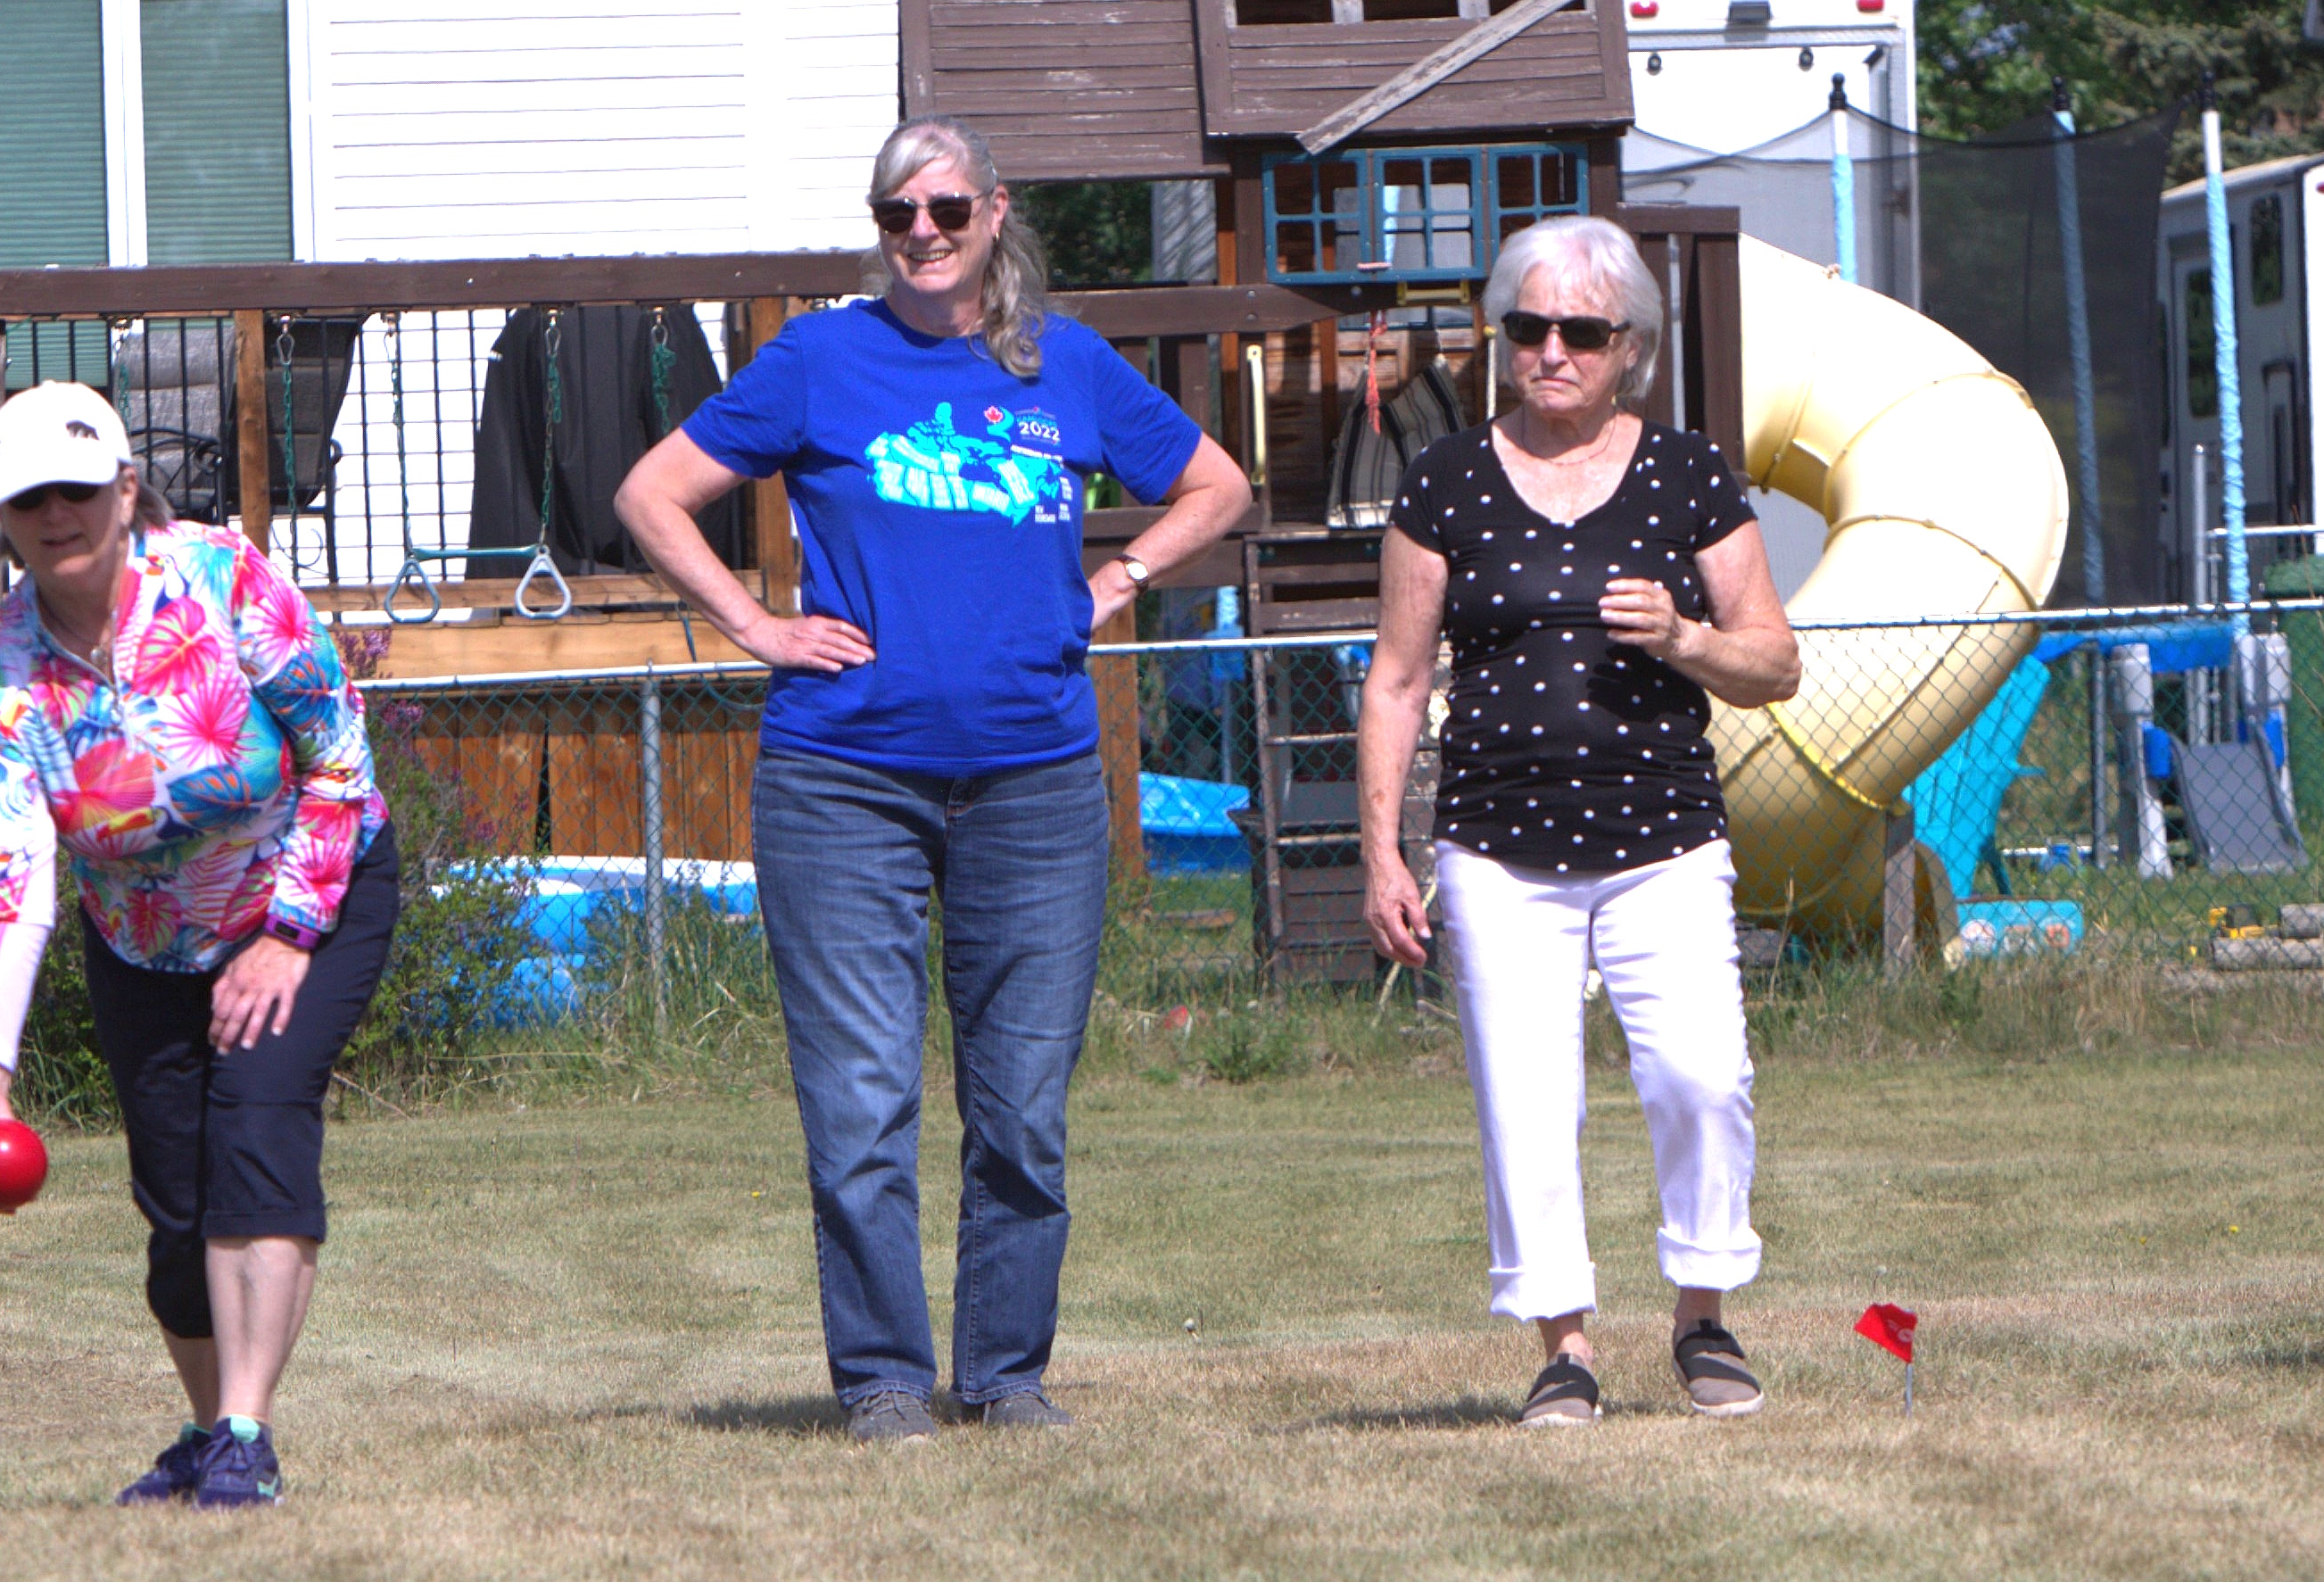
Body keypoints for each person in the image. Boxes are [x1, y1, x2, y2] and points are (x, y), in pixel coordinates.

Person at [614, 116, 1251, 1444]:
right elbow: (654, 493)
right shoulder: (818, 357)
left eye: (946, 211)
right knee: (859, 1098)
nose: (923, 235)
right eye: (899, 213)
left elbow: (1215, 484)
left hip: (1035, 786)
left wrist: (1119, 579)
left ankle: (1007, 1375)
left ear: (994, 213)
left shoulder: (1061, 362)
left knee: (1021, 1100)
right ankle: (886, 1379)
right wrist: (755, 626)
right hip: (841, 783)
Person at [1358, 215, 1802, 1428]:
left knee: (1700, 1077)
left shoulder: (1687, 476)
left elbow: (1774, 661)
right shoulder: (1444, 481)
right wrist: (1383, 848)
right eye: (1527, 328)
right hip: (1497, 847)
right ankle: (1561, 1344)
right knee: (1523, 1099)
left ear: (1630, 348)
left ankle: (1703, 1318)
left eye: (1581, 332)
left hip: (1663, 836)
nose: (1551, 351)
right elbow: (1396, 679)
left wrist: (1685, 639)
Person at [0, 383, 401, 1507]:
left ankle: (247, 1430)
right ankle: (212, 1440)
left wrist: (292, 935)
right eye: (30, 499)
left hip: (305, 892)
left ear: (125, 488)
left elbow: (338, 753)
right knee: (176, 1212)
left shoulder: (218, 581)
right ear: (1, 516)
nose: (58, 515)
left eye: (79, 489)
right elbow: (9, 873)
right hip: (143, 941)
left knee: (256, 1127)